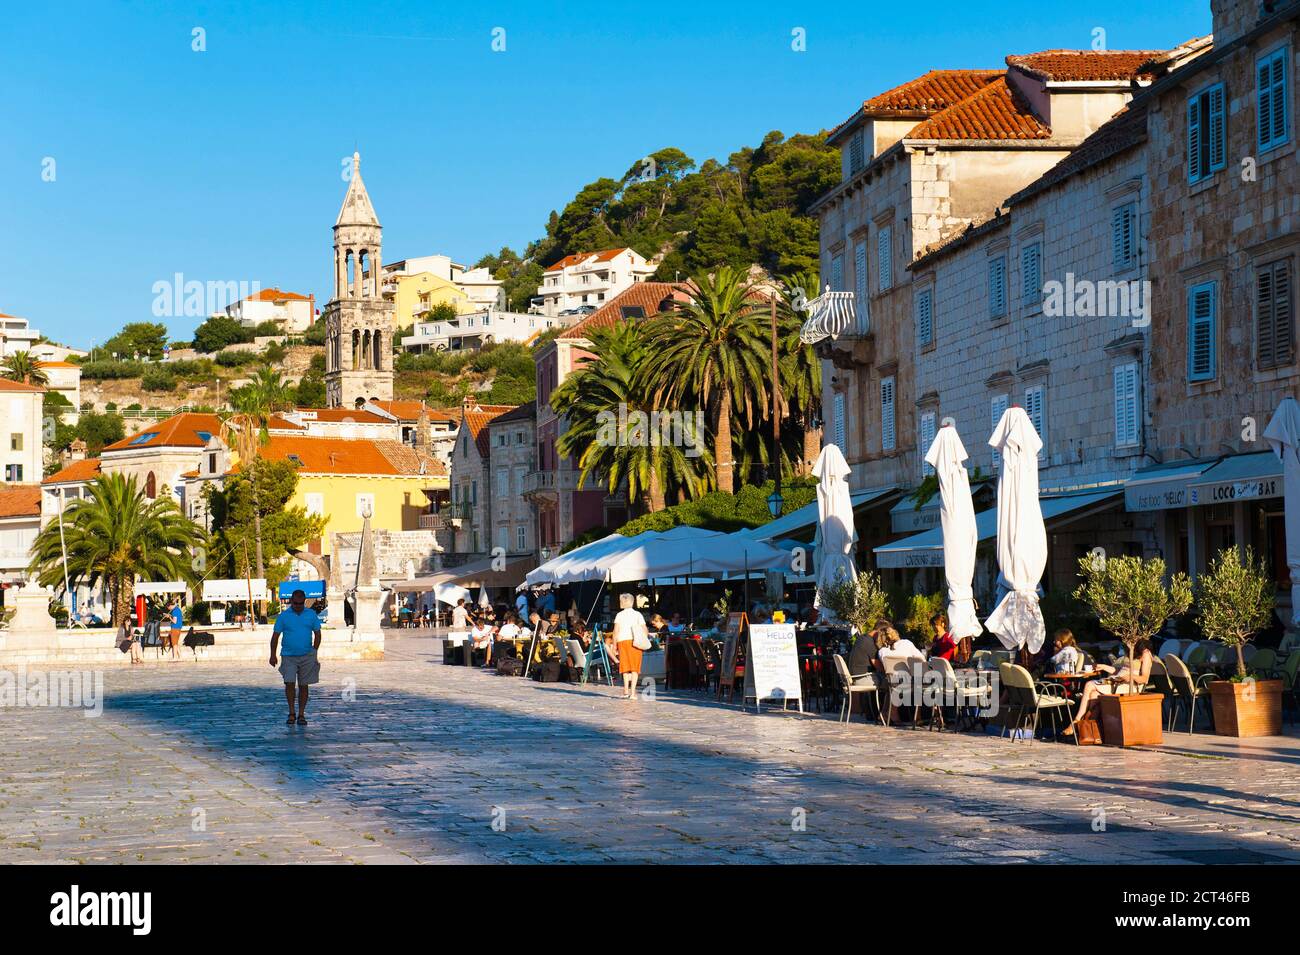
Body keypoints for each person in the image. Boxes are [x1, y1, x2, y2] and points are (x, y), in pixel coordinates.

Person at [1063, 638, 1154, 735]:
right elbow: (1119, 672)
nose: (1125, 641)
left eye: (1128, 638)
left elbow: (1144, 679)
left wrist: (1130, 676)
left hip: (1130, 686)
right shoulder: (1131, 651)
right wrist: (1103, 666)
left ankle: (1076, 722)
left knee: (1089, 684)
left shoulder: (1145, 653)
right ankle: (1089, 730)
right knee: (1094, 695)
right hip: (1119, 682)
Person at [270, 589, 322, 725]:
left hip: (307, 656)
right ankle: (291, 712)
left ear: (304, 601)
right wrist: (272, 655)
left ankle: (301, 714)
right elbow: (275, 637)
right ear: (291, 601)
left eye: (300, 603)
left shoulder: (311, 615)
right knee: (289, 684)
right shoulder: (283, 616)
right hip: (288, 656)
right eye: (295, 603)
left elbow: (318, 633)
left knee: (304, 685)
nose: (298, 606)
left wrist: (314, 651)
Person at [612, 592, 648, 700]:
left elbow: (615, 631)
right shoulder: (637, 614)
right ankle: (633, 693)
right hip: (635, 642)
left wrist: (614, 646)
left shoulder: (619, 615)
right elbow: (645, 630)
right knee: (634, 668)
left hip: (622, 642)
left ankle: (626, 691)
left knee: (625, 667)